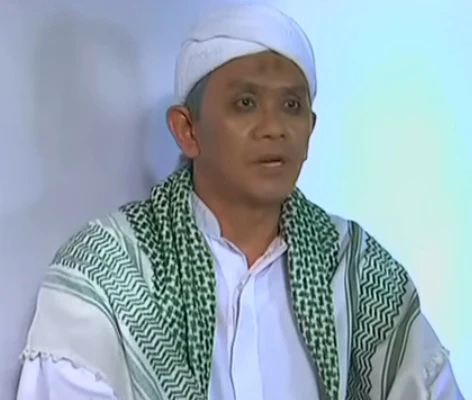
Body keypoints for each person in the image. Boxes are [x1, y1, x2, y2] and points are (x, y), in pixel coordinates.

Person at [16, 3, 463, 400]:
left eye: (291, 105)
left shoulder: (359, 272)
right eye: (246, 103)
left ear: (311, 129)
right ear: (187, 130)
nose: (274, 128)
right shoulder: (108, 270)